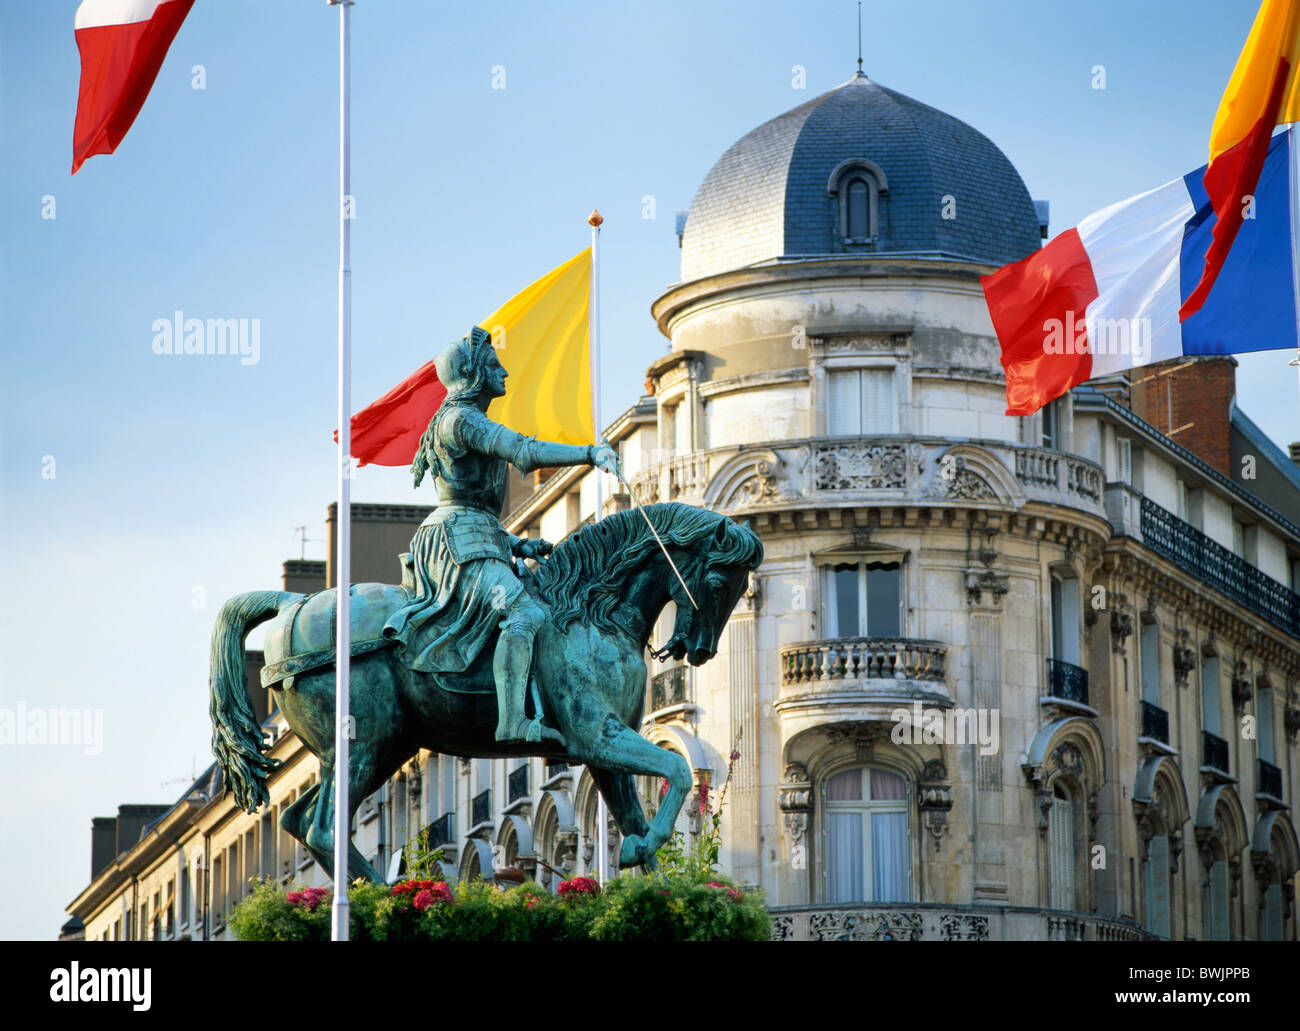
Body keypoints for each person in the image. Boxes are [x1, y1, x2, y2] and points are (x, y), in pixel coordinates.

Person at [383, 326, 619, 746]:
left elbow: (471, 503)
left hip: (474, 535)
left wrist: (514, 543)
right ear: (473, 373)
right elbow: (524, 452)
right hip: (457, 542)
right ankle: (511, 720)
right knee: (524, 613)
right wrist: (589, 453)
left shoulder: (460, 418)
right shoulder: (461, 420)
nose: (505, 372)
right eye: (494, 365)